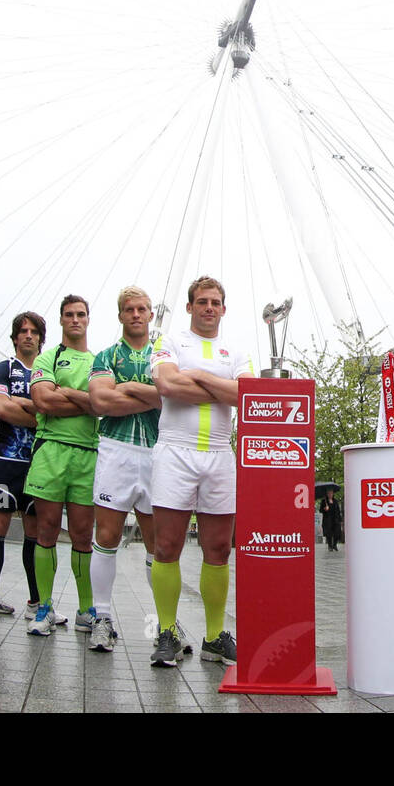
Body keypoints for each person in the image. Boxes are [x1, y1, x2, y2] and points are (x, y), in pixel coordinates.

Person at [148, 276, 255, 667]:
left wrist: (198, 378)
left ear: (224, 309)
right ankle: (167, 632)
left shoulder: (238, 351)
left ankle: (213, 637)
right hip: (175, 450)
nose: (209, 307)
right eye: (202, 301)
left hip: (218, 453)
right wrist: (221, 386)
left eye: (216, 302)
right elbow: (166, 384)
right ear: (190, 307)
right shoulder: (171, 342)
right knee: (167, 547)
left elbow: (248, 395)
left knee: (218, 549)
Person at [86, 287, 164, 652]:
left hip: (156, 452)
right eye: (129, 309)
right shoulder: (105, 354)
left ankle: (167, 624)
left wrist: (128, 389)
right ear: (120, 316)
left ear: (151, 314)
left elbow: (174, 400)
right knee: (107, 535)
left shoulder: (165, 356)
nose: (136, 314)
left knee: (158, 543)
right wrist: (150, 396)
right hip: (115, 449)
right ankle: (102, 617)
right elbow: (101, 400)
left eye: (142, 309)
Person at [0, 311, 65, 624]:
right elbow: (0, 407)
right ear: (15, 337)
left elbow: (60, 411)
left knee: (36, 532)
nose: (28, 336)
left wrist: (33, 410)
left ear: (42, 338)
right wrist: (41, 415)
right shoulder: (4, 368)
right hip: (5, 462)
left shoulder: (50, 369)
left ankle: (37, 602)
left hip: (39, 464)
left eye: (34, 332)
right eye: (22, 331)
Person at [26, 295, 100, 636]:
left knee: (84, 535)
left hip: (89, 453)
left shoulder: (101, 362)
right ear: (60, 320)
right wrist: (87, 401)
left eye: (81, 314)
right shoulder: (47, 356)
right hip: (51, 449)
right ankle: (44, 607)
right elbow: (42, 400)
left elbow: (103, 405)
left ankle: (86, 610)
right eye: (69, 314)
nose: (75, 320)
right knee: (47, 530)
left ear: (88, 319)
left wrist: (66, 394)